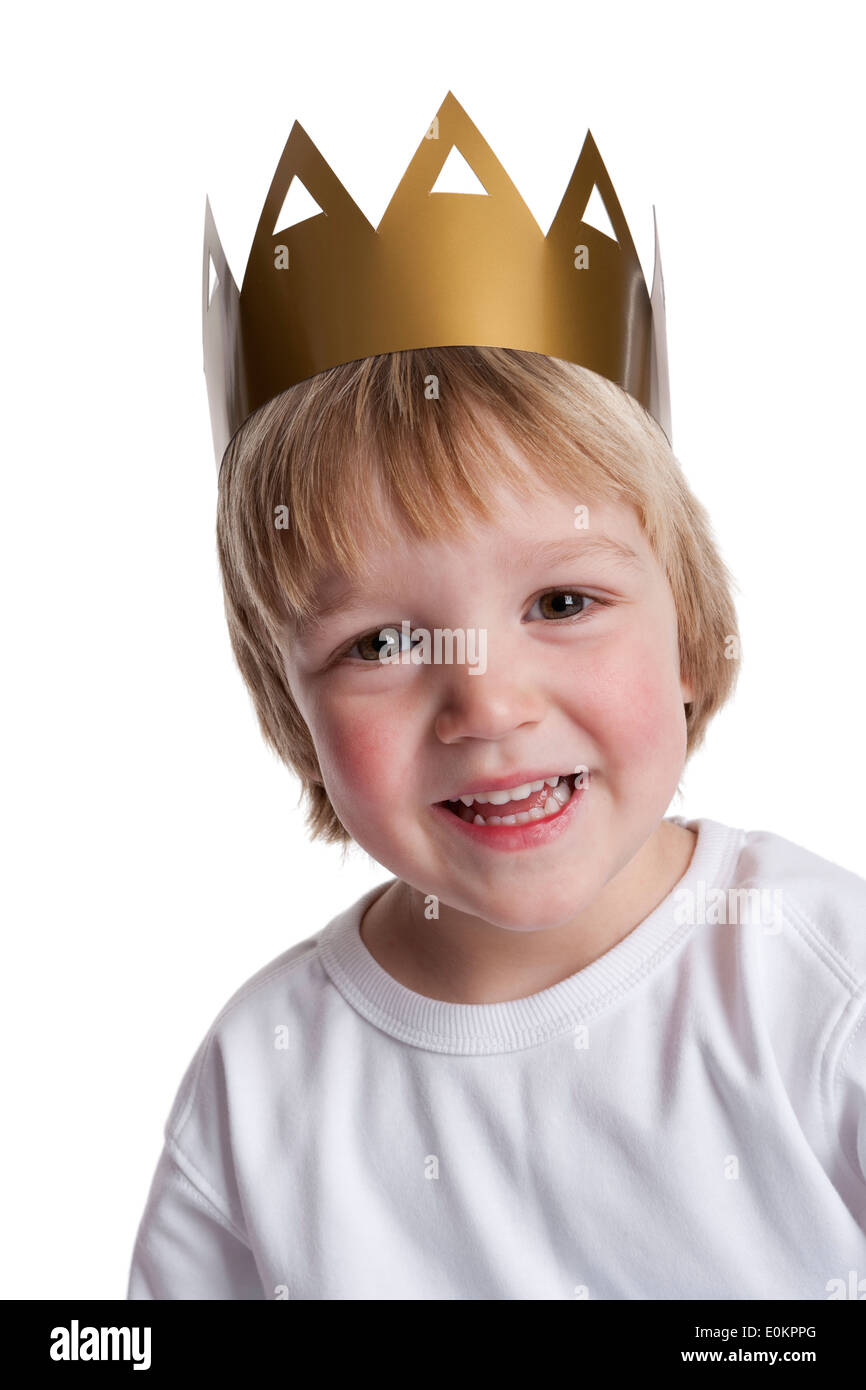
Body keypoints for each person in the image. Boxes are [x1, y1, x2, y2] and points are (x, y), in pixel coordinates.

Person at [127, 345, 866, 1299]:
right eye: (381, 644)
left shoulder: (821, 987)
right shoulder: (261, 1085)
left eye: (562, 603)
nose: (487, 704)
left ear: (687, 636)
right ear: (293, 715)